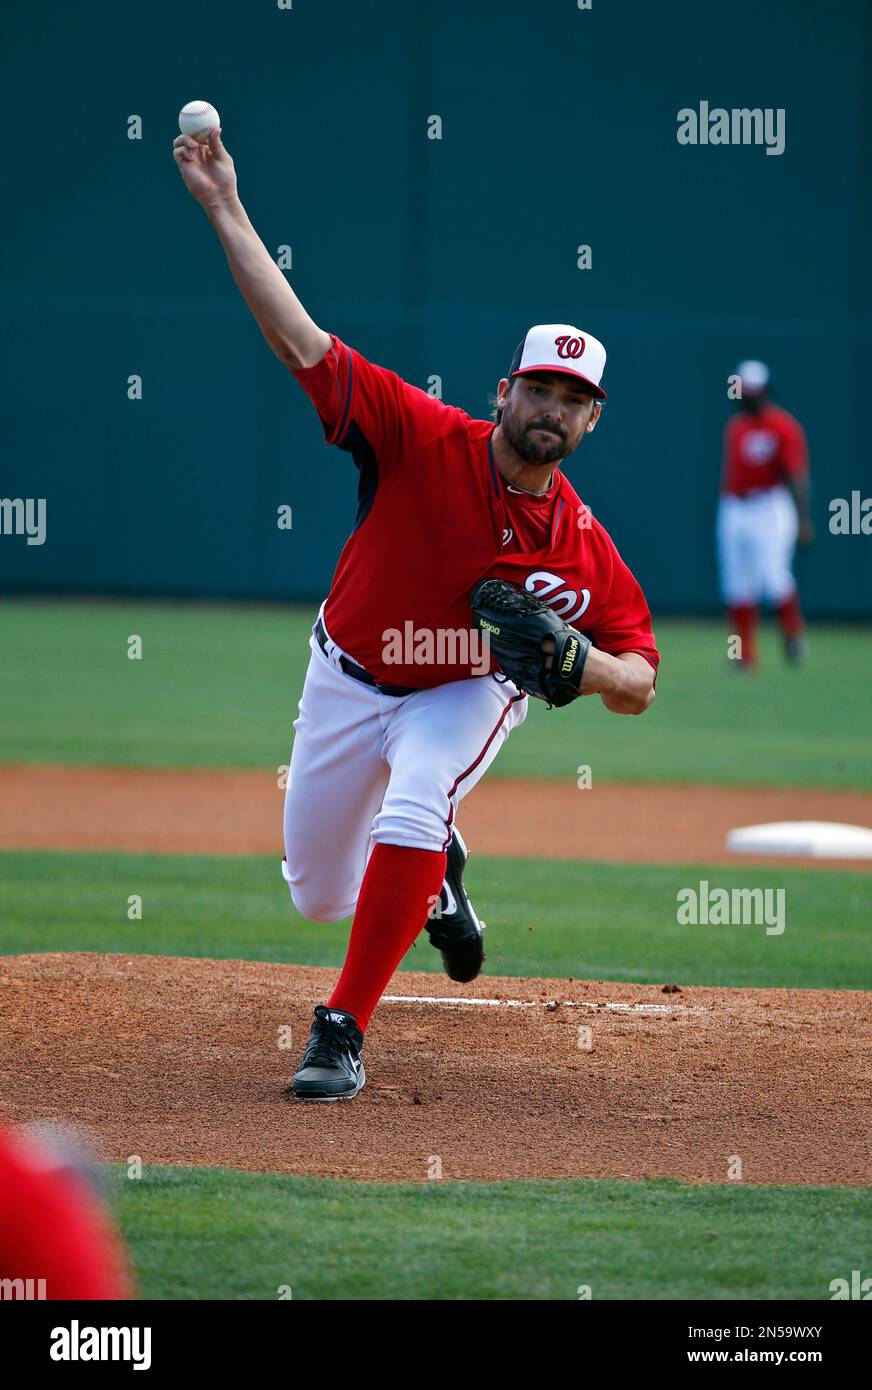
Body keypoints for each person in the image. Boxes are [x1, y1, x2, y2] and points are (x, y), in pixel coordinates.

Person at [173, 126, 659, 1102]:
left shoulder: (579, 542)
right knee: (314, 891)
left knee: (418, 789)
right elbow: (300, 343)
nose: (551, 408)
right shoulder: (415, 433)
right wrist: (225, 205)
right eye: (538, 387)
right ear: (502, 390)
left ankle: (339, 1029)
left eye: (574, 397)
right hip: (345, 673)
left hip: (459, 687)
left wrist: (581, 663)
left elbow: (638, 678)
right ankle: (434, 875)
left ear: (592, 420)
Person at [718, 360, 813, 667]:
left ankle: (793, 637)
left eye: (752, 393)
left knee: (774, 577)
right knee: (736, 582)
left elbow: (796, 476)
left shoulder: (783, 426)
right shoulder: (736, 427)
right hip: (735, 506)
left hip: (770, 506)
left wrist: (803, 519)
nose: (747, 398)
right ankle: (743, 655)